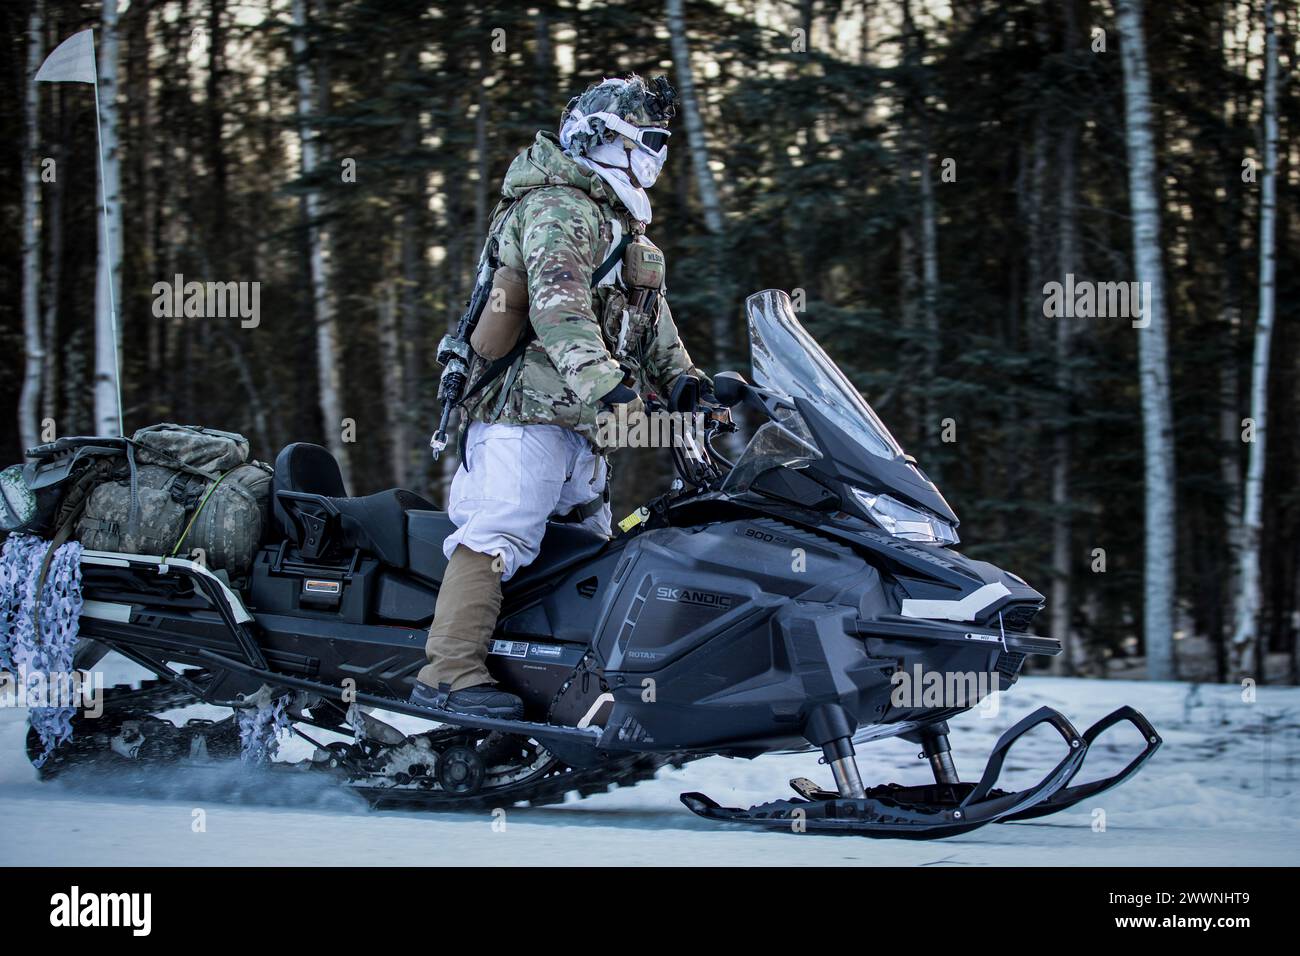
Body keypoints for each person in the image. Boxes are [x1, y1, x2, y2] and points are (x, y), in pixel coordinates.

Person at [411, 74, 711, 719]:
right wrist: (610, 392)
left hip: (579, 422)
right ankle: (448, 672)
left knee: (587, 547)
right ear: (605, 139)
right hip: (525, 416)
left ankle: (562, 687)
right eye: (649, 140)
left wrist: (685, 381)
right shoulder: (557, 209)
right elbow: (560, 311)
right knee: (503, 531)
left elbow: (653, 327)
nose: (659, 155)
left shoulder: (620, 225)